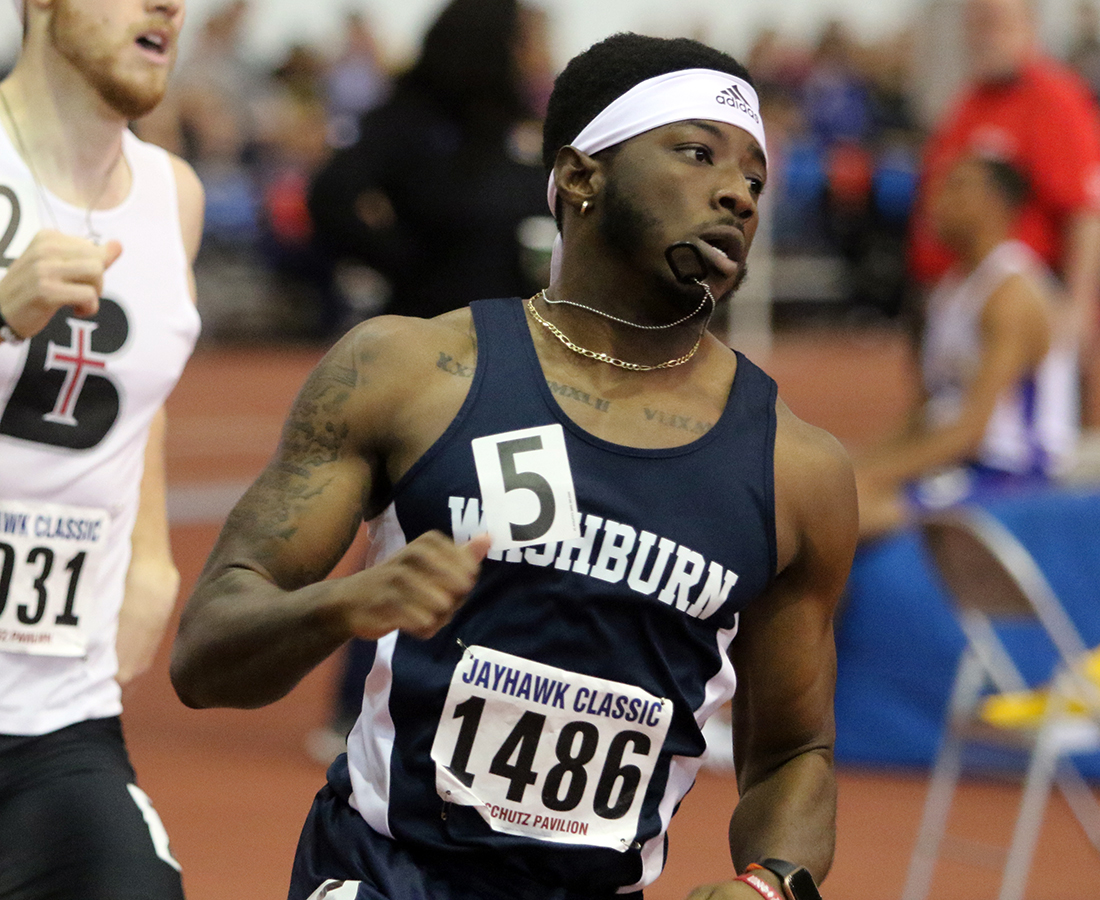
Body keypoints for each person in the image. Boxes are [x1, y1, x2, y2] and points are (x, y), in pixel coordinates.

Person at [171, 32, 857, 900]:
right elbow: (204, 656)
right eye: (697, 154)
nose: (737, 194)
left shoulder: (798, 471)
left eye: (755, 178)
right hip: (383, 877)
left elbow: (794, 752)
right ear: (580, 177)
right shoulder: (409, 373)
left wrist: (771, 884)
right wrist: (346, 603)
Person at [0, 0, 202, 898]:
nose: (168, 4)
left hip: (59, 719)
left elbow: (139, 388)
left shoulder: (174, 197)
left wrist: (151, 553)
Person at [855, 153, 1078, 539]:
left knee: (849, 511)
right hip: (958, 464)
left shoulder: (1012, 294)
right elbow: (924, 415)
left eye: (956, 186)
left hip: (1012, 474)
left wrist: (865, 477)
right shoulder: (948, 292)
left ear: (995, 205)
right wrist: (849, 467)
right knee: (822, 493)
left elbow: (971, 432)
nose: (936, 199)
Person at [306, 0, 554, 326]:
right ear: (490, 47)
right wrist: (407, 263)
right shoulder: (408, 121)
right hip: (429, 326)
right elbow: (330, 196)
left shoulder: (519, 124)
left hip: (517, 326)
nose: (538, 58)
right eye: (526, 43)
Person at [908, 0, 1100, 360]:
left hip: (1021, 308)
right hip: (956, 301)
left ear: (1030, 27)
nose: (986, 37)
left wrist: (1077, 307)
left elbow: (1085, 212)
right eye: (978, 25)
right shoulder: (967, 102)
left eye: (998, 24)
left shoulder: (1054, 99)